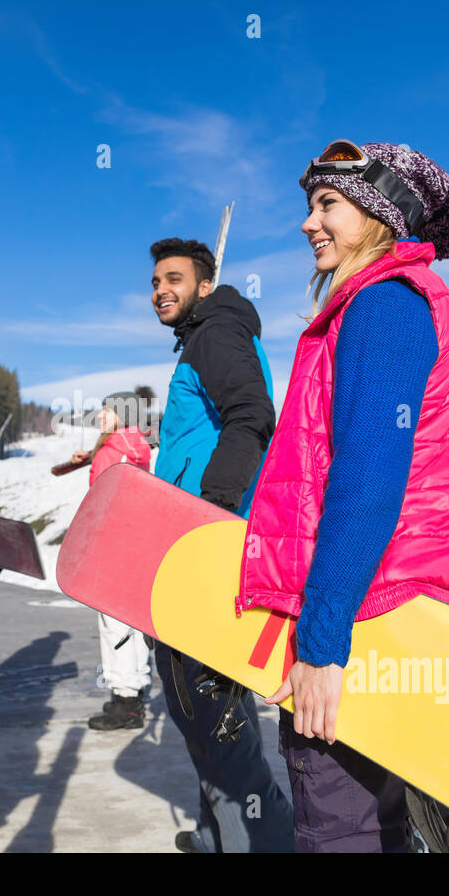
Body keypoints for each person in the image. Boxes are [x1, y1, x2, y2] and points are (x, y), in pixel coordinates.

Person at [237, 140, 449, 852]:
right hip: (380, 608)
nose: (306, 223)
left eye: (327, 204)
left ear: (380, 217)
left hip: (370, 613)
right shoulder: (385, 304)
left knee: (340, 822)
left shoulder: (383, 307)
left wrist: (322, 645)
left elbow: (369, 484)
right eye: (309, 205)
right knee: (376, 823)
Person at [149, 238, 295, 853]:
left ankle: (261, 841)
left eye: (174, 279)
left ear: (204, 286)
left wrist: (209, 513)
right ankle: (218, 835)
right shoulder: (205, 338)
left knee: (213, 707)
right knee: (193, 704)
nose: (161, 290)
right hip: (192, 543)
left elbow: (252, 416)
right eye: (155, 281)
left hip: (207, 548)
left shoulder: (215, 334)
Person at [65, 391, 153, 730]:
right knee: (129, 622)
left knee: (114, 623)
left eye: (108, 410)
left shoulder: (114, 450)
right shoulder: (131, 445)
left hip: (114, 545)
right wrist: (90, 456)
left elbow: (109, 497)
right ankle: (131, 696)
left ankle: (125, 702)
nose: (100, 415)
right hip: (132, 545)